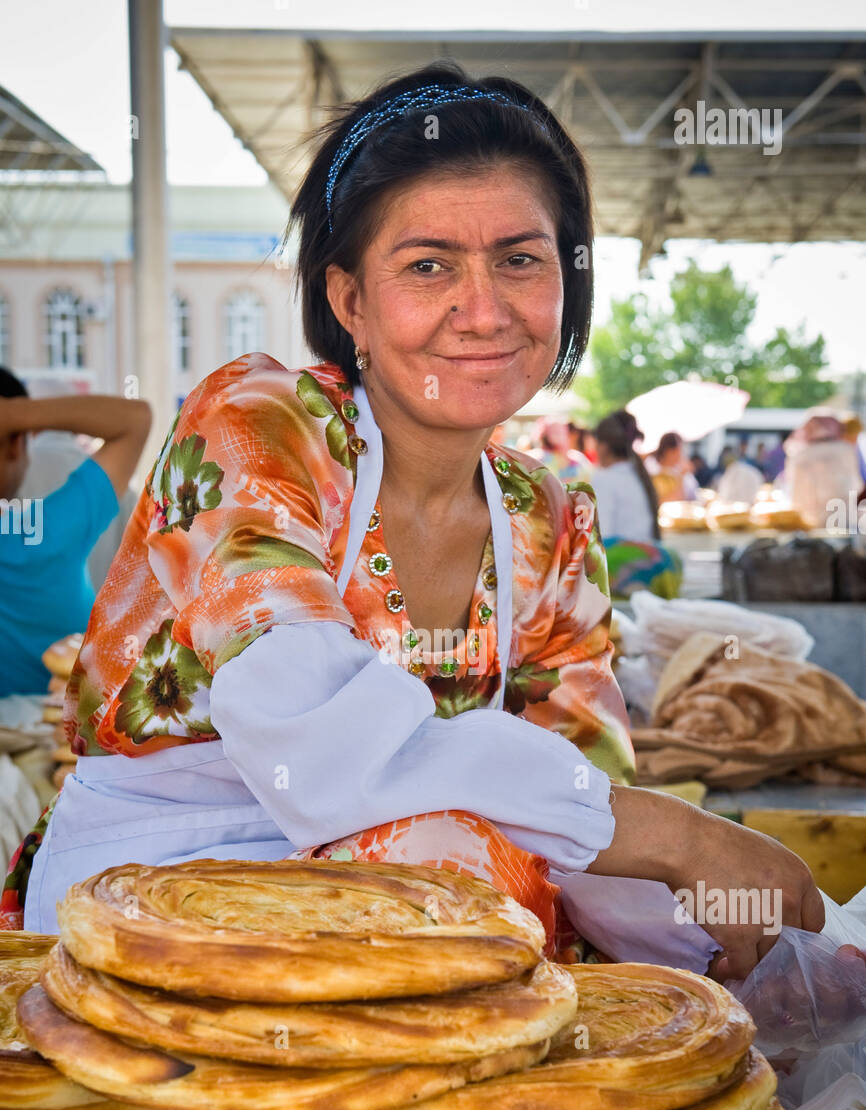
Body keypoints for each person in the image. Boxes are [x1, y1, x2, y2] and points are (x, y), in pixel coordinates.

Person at [4, 63, 824, 980]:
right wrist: (678, 834)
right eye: (428, 265)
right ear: (348, 299)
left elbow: (583, 815)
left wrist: (727, 942)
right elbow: (324, 753)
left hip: (420, 907)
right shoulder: (258, 422)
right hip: (149, 892)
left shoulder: (551, 516)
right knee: (453, 862)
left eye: (521, 259)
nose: (483, 311)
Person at [0, 368, 151, 697]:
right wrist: (13, 413)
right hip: (63, 726)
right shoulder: (45, 533)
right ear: (15, 442)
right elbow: (135, 420)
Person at [590, 410, 681, 599]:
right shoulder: (638, 475)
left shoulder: (604, 478)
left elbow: (603, 538)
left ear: (604, 447)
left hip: (624, 573)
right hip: (653, 569)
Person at [782, 414, 862, 528]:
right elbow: (856, 485)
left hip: (811, 522)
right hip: (844, 519)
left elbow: (794, 495)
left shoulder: (800, 455)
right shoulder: (845, 450)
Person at [647, 431, 699, 503]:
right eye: (678, 450)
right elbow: (663, 501)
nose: (680, 454)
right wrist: (682, 476)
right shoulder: (653, 469)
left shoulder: (679, 467)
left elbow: (694, 492)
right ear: (668, 451)